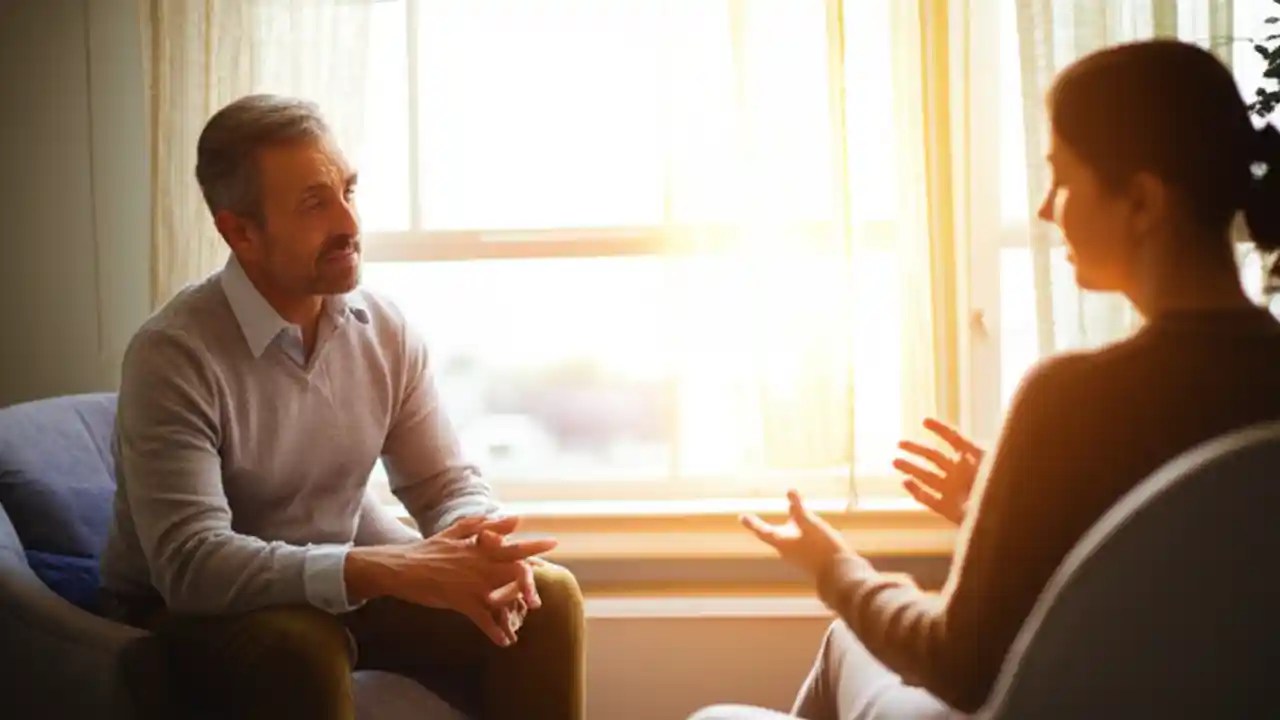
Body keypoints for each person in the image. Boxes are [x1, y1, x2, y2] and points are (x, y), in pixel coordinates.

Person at [691, 39, 1280, 720]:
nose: (1045, 209)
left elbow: (959, 663)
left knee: (828, 647)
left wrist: (835, 568)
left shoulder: (1073, 402)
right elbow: (1174, 591)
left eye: (1061, 179)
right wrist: (999, 512)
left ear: (1142, 202)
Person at [100, 94, 585, 720]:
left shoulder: (382, 330)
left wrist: (479, 544)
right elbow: (193, 566)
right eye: (314, 203)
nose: (350, 223)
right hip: (186, 610)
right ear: (240, 232)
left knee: (547, 595)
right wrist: (385, 569)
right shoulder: (173, 355)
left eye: (348, 191)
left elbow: (442, 483)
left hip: (337, 583)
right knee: (302, 649)